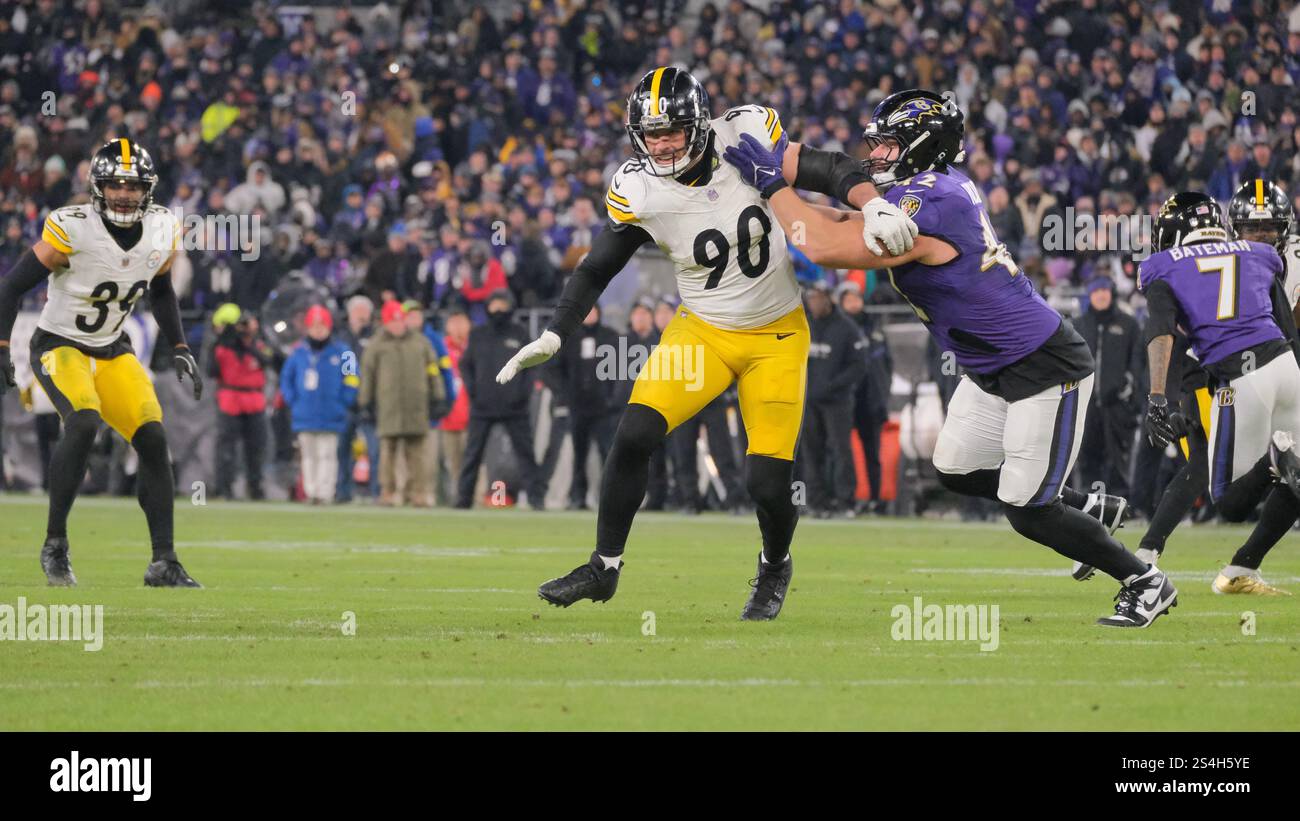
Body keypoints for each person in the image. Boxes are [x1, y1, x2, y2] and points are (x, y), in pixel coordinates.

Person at [723, 89, 1172, 628]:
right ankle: (1086, 509)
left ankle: (1144, 581)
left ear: (921, 147)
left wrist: (772, 184)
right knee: (956, 469)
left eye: (888, 145)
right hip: (989, 369)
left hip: (1043, 367)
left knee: (1027, 510)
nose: (876, 155)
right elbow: (839, 221)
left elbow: (822, 245)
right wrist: (775, 164)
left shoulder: (930, 201)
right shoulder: (925, 189)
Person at [495, 67, 918, 620]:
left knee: (766, 481)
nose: (662, 144)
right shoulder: (640, 188)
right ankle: (604, 566)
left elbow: (833, 168)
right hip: (703, 332)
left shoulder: (744, 136)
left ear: (698, 124)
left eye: (672, 131)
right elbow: (597, 266)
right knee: (635, 432)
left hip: (777, 333)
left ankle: (774, 564)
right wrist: (556, 330)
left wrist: (874, 204)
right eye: (652, 135)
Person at [0, 139, 202, 587]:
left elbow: (163, 289)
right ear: (98, 187)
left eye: (133, 186)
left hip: (112, 346)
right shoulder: (73, 228)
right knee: (84, 422)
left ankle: (163, 561)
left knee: (152, 436)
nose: (125, 194)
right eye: (115, 185)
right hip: (59, 343)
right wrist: (1, 345)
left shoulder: (164, 226)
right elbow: (10, 287)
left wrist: (181, 346)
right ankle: (55, 546)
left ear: (147, 189)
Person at [1140, 189, 1300, 597]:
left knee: (1227, 501)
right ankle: (1242, 567)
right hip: (1284, 366)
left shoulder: (1161, 267)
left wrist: (1158, 397)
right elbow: (1288, 331)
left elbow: (1161, 333)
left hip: (1239, 378)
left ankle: (1273, 461)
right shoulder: (1260, 255)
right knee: (1296, 476)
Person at [457, 289, 546, 509]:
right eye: (494, 305)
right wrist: (473, 392)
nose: (498, 309)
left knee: (526, 454)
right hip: (482, 406)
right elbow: (465, 364)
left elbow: (532, 368)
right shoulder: (478, 334)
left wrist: (522, 395)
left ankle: (536, 499)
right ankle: (463, 500)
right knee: (472, 455)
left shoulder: (520, 333)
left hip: (514, 407)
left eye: (502, 305)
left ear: (510, 307)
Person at [358, 300, 445, 507]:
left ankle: (418, 493)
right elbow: (368, 375)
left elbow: (433, 371)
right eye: (393, 321)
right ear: (386, 323)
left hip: (416, 405)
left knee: (417, 454)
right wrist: (365, 402)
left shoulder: (421, 342)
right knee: (387, 453)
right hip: (388, 406)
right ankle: (387, 492)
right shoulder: (376, 345)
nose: (398, 325)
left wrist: (438, 396)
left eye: (400, 320)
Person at [800, 280, 867, 517]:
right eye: (811, 298)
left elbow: (859, 366)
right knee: (811, 451)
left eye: (818, 297)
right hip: (809, 401)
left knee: (840, 450)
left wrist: (833, 386)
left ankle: (845, 501)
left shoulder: (846, 328)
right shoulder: (804, 326)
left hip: (837, 401)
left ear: (829, 299)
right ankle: (817, 502)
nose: (814, 302)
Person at [1073, 276, 1142, 501]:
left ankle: (1120, 504)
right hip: (1086, 405)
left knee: (1118, 459)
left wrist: (1131, 398)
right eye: (1096, 291)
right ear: (1089, 295)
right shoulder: (1077, 325)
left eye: (1104, 290)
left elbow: (1138, 363)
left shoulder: (1128, 324)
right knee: (1086, 457)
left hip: (1117, 405)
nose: (1101, 295)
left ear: (1111, 293)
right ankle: (1089, 503)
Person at [280, 305, 358, 504]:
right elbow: (286, 378)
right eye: (313, 326)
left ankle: (325, 492)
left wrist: (346, 400)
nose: (318, 330)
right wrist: (293, 401)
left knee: (328, 454)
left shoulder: (345, 352)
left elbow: (353, 377)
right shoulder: (297, 352)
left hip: (332, 412)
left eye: (321, 325)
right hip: (304, 412)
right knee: (308, 454)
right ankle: (311, 491)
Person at [838, 280, 893, 514]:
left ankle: (875, 498)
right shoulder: (836, 329)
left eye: (857, 298)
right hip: (844, 399)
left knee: (873, 452)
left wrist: (883, 391)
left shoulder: (874, 328)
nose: (854, 303)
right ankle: (843, 498)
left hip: (871, 399)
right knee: (839, 451)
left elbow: (886, 364)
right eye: (848, 299)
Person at [210, 304, 270, 500]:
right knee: (226, 449)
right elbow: (211, 370)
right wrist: (223, 340)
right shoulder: (221, 347)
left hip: (254, 400)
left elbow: (268, 360)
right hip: (231, 400)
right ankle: (223, 489)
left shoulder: (258, 345)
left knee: (256, 449)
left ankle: (256, 489)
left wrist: (248, 344)